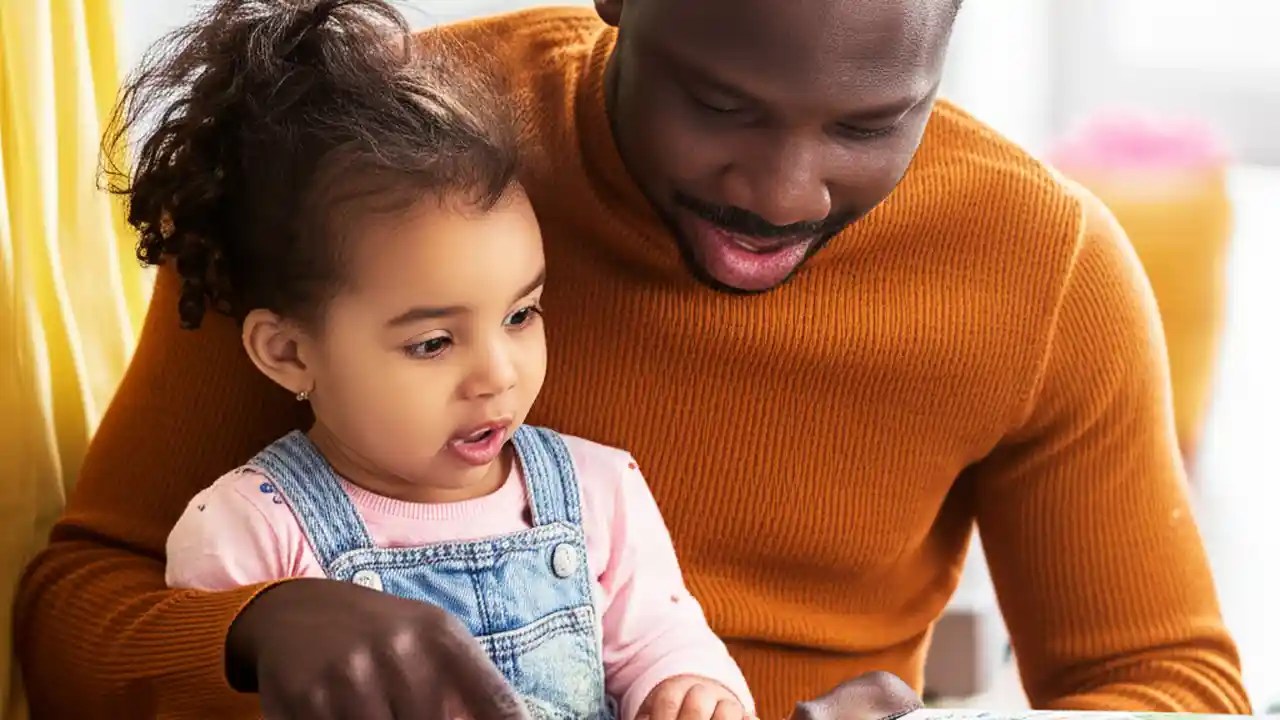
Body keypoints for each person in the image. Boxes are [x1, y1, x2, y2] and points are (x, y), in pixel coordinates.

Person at [15, 0, 1250, 718]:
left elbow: (1166, 680)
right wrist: (251, 632)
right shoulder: (357, 172)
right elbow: (76, 613)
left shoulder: (1044, 268)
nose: (779, 193)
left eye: (871, 123)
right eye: (718, 106)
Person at [101, 2, 756, 719]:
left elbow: (662, 640)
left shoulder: (599, 492)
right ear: (288, 353)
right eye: (433, 343)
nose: (498, 376)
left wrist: (688, 690)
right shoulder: (248, 531)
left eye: (520, 315)